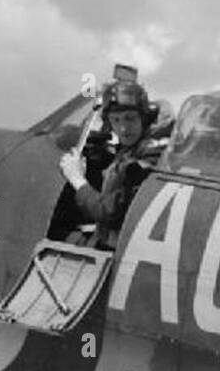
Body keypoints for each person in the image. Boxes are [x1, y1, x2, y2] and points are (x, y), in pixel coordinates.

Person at [57, 78, 163, 250]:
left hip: (122, 250)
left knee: (58, 235)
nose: (123, 128)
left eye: (130, 118)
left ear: (144, 118)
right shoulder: (132, 149)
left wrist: (77, 179)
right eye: (116, 120)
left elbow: (108, 212)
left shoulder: (151, 157)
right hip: (116, 241)